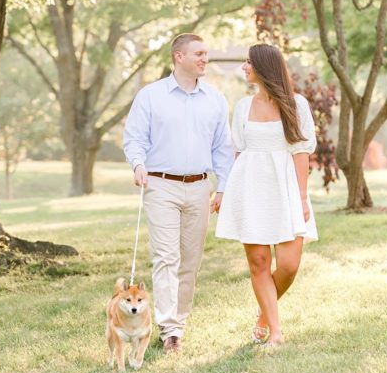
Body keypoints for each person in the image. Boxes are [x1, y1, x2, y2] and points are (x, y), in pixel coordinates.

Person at [122, 33, 234, 354]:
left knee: (190, 261)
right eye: (198, 53)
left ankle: (179, 322)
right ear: (178, 57)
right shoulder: (150, 96)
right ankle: (169, 329)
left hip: (200, 186)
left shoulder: (215, 99)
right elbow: (134, 138)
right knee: (166, 257)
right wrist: (138, 164)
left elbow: (222, 149)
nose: (204, 59)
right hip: (159, 184)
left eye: (206, 54)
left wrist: (223, 187)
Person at [214, 43, 318, 348]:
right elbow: (237, 152)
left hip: (286, 188)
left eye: (248, 62)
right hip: (251, 187)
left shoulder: (297, 104)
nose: (244, 67)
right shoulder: (244, 107)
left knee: (288, 265)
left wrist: (301, 198)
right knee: (259, 262)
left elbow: (301, 153)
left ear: (263, 66)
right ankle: (275, 331)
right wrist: (224, 189)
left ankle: (262, 316)